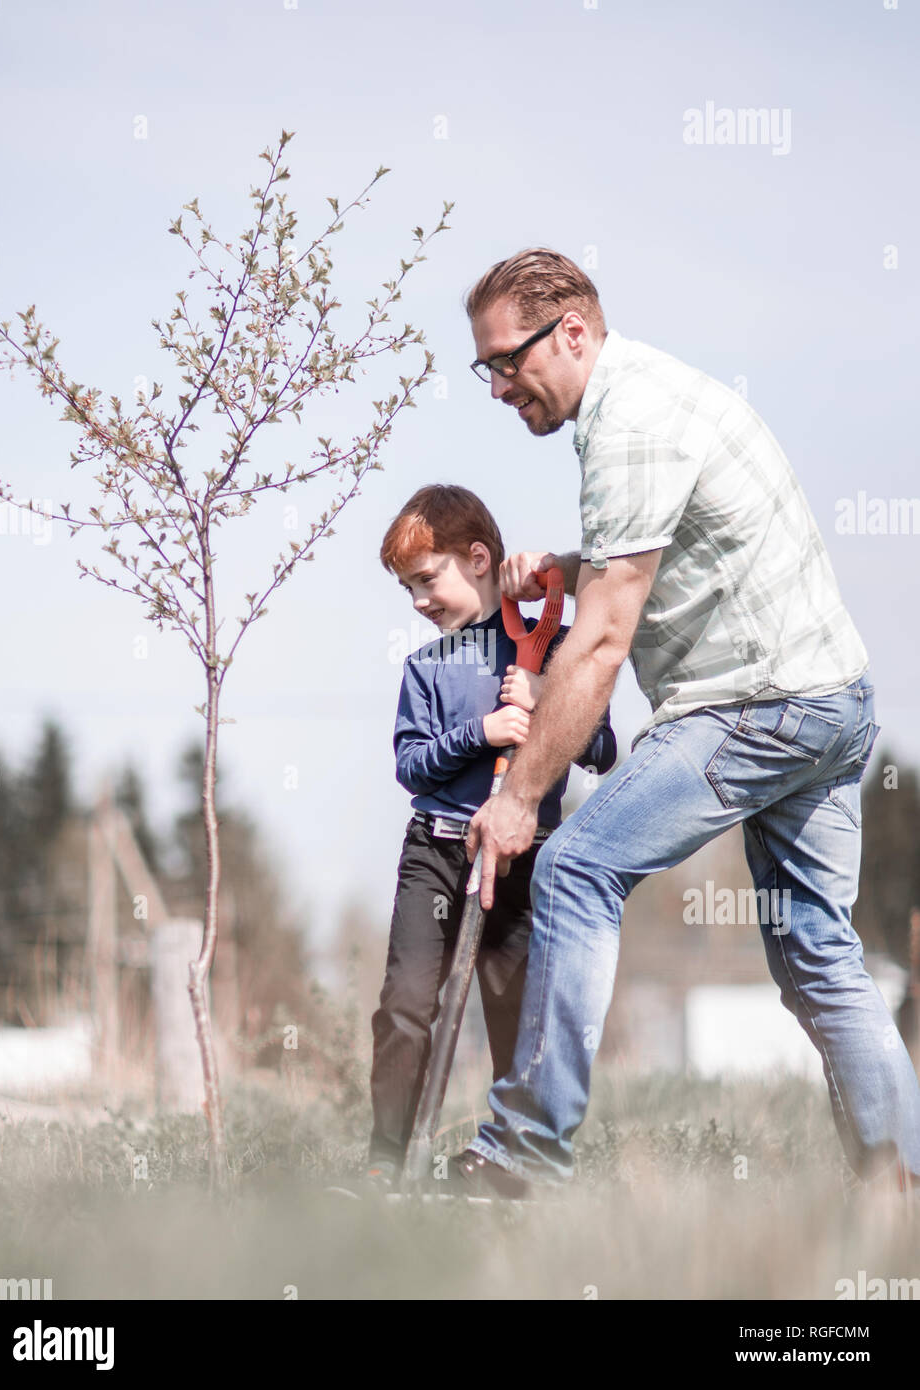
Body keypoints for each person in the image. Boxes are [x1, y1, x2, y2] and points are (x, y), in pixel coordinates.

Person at [436, 247, 920, 1199]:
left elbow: (606, 638)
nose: (495, 386)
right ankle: (900, 1184)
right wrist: (563, 573)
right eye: (483, 366)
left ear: (570, 331)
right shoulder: (644, 398)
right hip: (830, 701)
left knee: (575, 869)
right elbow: (652, 563)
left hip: (757, 710)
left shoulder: (631, 426)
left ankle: (521, 1163)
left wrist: (520, 797)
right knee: (817, 950)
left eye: (505, 361)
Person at [365, 483, 616, 1191]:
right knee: (406, 1006)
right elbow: (409, 765)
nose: (418, 600)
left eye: (426, 579)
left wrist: (542, 708)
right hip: (436, 854)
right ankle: (389, 1164)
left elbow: (599, 748)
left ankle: (508, 1166)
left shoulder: (554, 648)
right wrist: (481, 733)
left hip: (521, 856)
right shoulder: (425, 669)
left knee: (516, 1013)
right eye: (406, 588)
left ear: (478, 559)